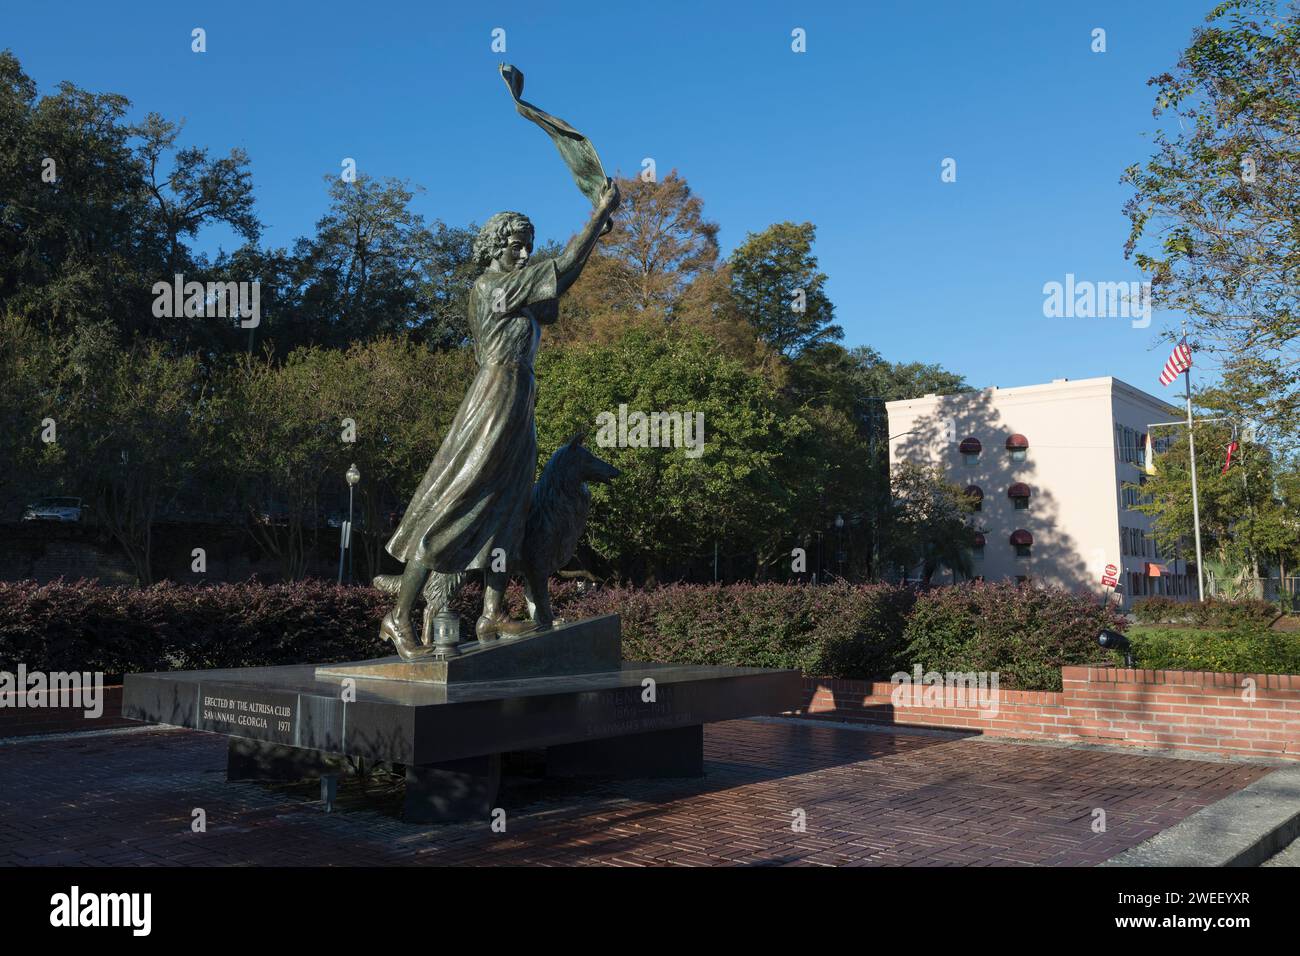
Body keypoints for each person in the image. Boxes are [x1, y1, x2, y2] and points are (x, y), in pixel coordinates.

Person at [379, 178, 621, 658]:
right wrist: (596, 218)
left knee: (511, 506)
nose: (525, 251)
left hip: (519, 401)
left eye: (528, 244)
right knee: (456, 505)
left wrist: (596, 237)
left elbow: (556, 295)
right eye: (515, 244)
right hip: (494, 398)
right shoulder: (492, 287)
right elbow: (563, 269)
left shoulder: (518, 292)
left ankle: (492, 614)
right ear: (493, 247)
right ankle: (399, 615)